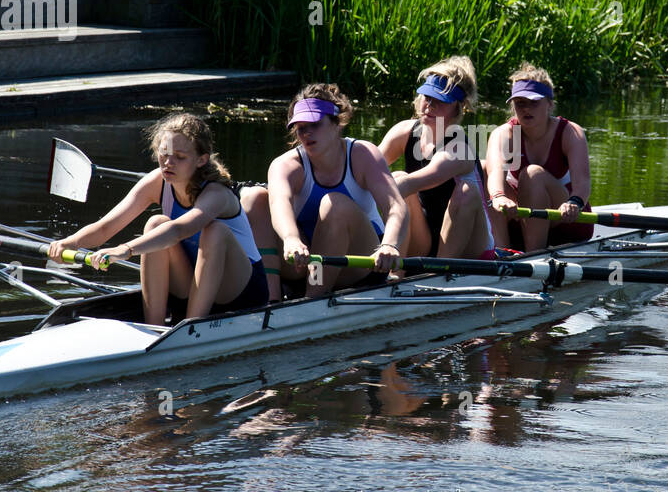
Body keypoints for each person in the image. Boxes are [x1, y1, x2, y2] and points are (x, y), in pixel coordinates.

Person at [50, 113, 267, 325]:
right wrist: (70, 243)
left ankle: (191, 327)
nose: (168, 163)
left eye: (180, 157)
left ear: (201, 160)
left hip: (240, 291)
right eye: (164, 154)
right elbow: (106, 227)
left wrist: (125, 249)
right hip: (193, 284)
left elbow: (179, 230)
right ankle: (154, 327)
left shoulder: (216, 194)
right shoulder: (157, 181)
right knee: (155, 224)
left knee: (214, 232)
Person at [240, 84, 408, 299]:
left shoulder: (363, 154)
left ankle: (312, 299)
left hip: (358, 263)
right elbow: (278, 204)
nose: (306, 133)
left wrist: (390, 245)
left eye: (315, 124)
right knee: (254, 197)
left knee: (334, 204)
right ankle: (270, 301)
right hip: (304, 263)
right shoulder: (286, 165)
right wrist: (291, 239)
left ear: (337, 123)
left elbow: (395, 206)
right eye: (300, 128)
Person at [377, 56, 495, 260]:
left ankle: (438, 271)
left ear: (458, 107)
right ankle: (396, 273)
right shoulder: (404, 131)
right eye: (426, 97)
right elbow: (366, 167)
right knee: (395, 175)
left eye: (440, 101)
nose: (429, 105)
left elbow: (417, 181)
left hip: (471, 247)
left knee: (466, 192)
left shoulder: (459, 149)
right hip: (424, 239)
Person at [484, 63, 594, 253]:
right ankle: (502, 251)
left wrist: (574, 202)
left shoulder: (570, 133)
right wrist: (499, 197)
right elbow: (494, 173)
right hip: (523, 218)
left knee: (532, 173)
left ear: (550, 104)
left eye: (534, 102)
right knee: (481, 167)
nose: (526, 109)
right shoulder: (504, 134)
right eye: (520, 103)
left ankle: (532, 256)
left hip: (566, 221)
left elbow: (583, 183)